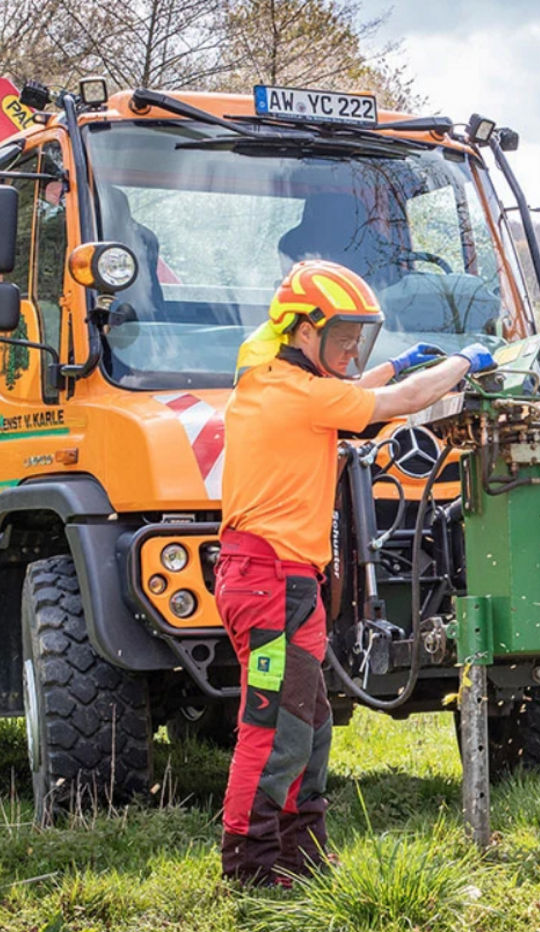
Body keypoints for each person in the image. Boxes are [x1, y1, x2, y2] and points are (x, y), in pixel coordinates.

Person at [215, 259, 495, 887]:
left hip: (288, 584)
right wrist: (462, 364)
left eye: (359, 339)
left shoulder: (288, 385)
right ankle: (251, 865)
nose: (350, 351)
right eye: (342, 338)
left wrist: (398, 363)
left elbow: (360, 398)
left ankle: (301, 855)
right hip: (267, 586)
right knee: (274, 725)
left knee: (309, 723)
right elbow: (387, 406)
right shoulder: (293, 392)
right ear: (303, 331)